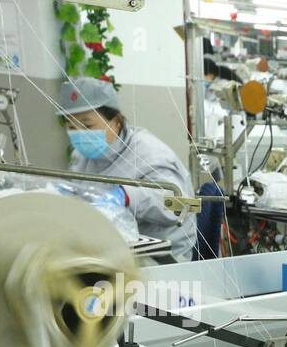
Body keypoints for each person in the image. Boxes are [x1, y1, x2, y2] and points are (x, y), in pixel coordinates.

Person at [59, 77, 196, 260]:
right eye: (71, 127)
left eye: (87, 125)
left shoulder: (150, 153)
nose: (79, 134)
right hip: (107, 248)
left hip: (160, 258)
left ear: (115, 122)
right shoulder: (81, 156)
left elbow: (179, 205)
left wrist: (128, 197)